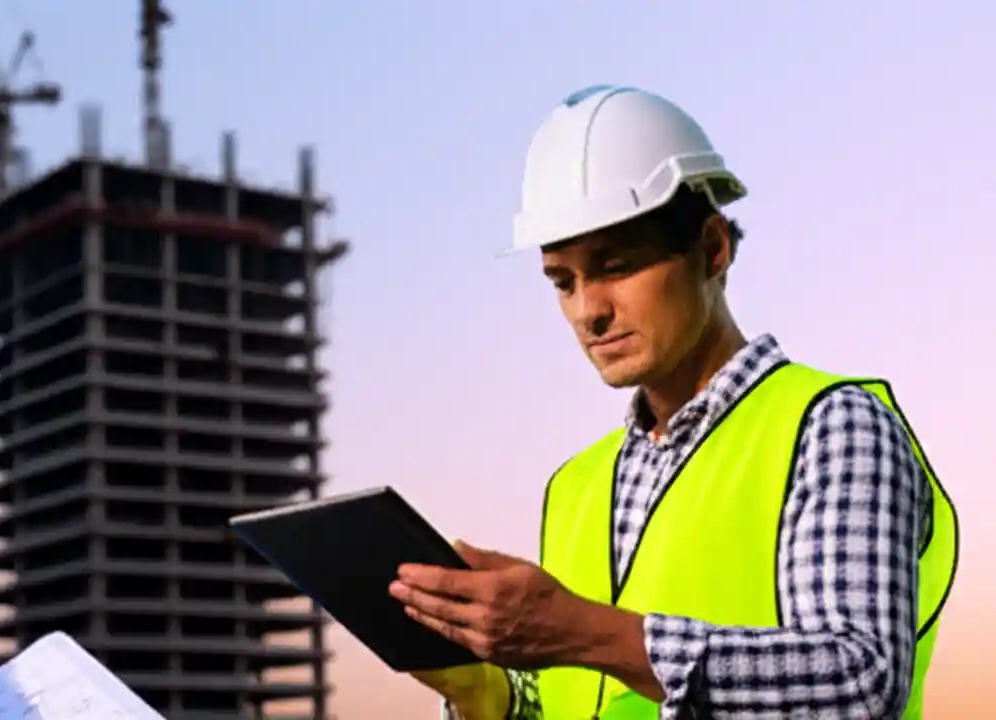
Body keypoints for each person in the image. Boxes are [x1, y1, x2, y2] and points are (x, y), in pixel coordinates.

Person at [387, 85, 959, 719]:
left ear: (713, 249)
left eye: (617, 265)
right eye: (563, 281)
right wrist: (479, 690)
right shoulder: (577, 487)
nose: (589, 311)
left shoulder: (829, 427)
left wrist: (583, 631)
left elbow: (860, 682)